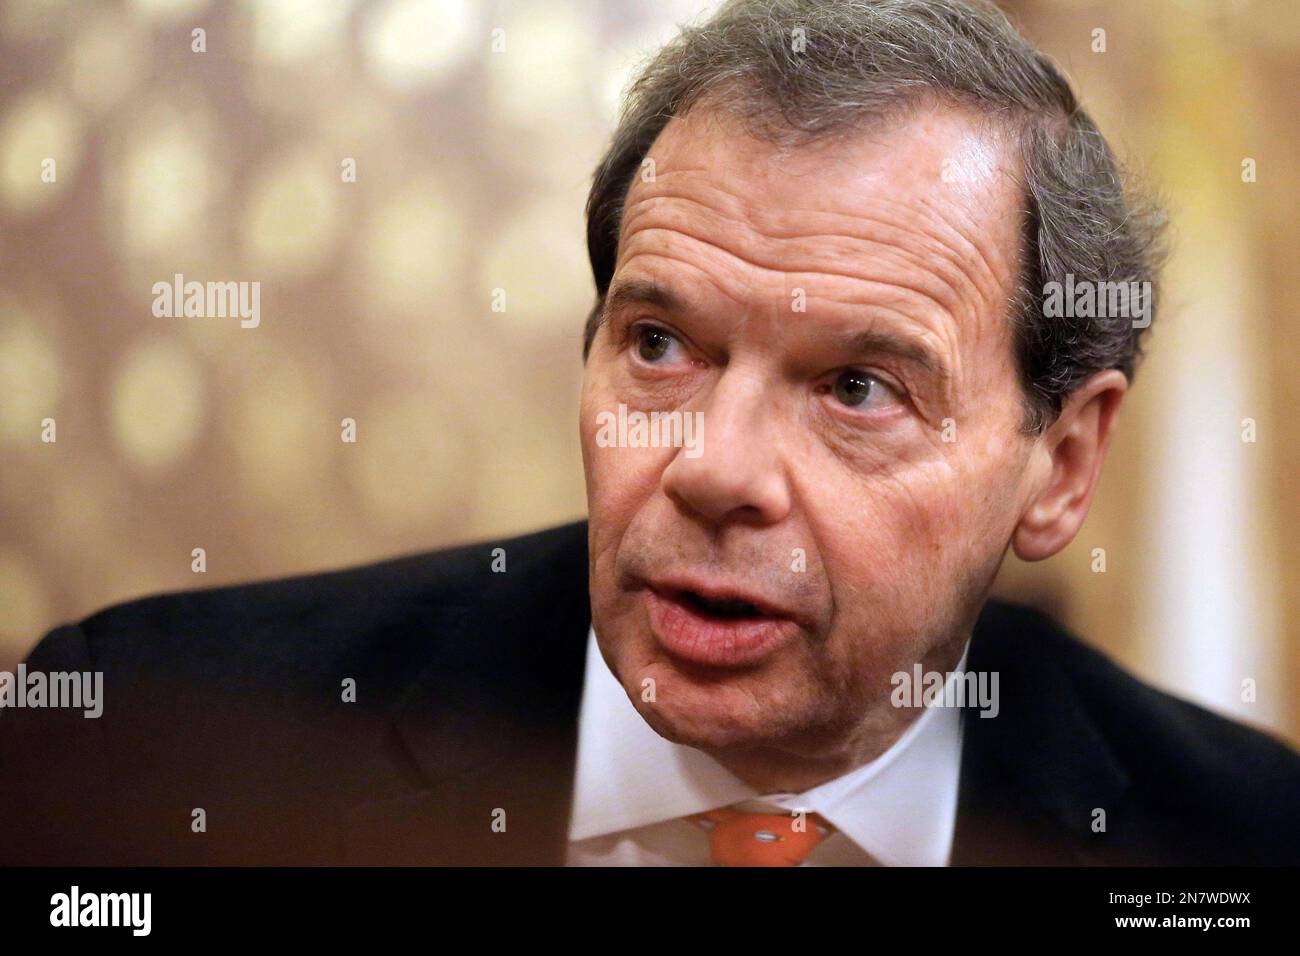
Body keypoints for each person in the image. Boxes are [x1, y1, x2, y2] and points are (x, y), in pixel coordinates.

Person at [3, 0, 1297, 867]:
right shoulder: (142, 745)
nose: (716, 473)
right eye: (662, 346)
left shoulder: (1240, 846)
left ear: (1061, 464)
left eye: (857, 388)